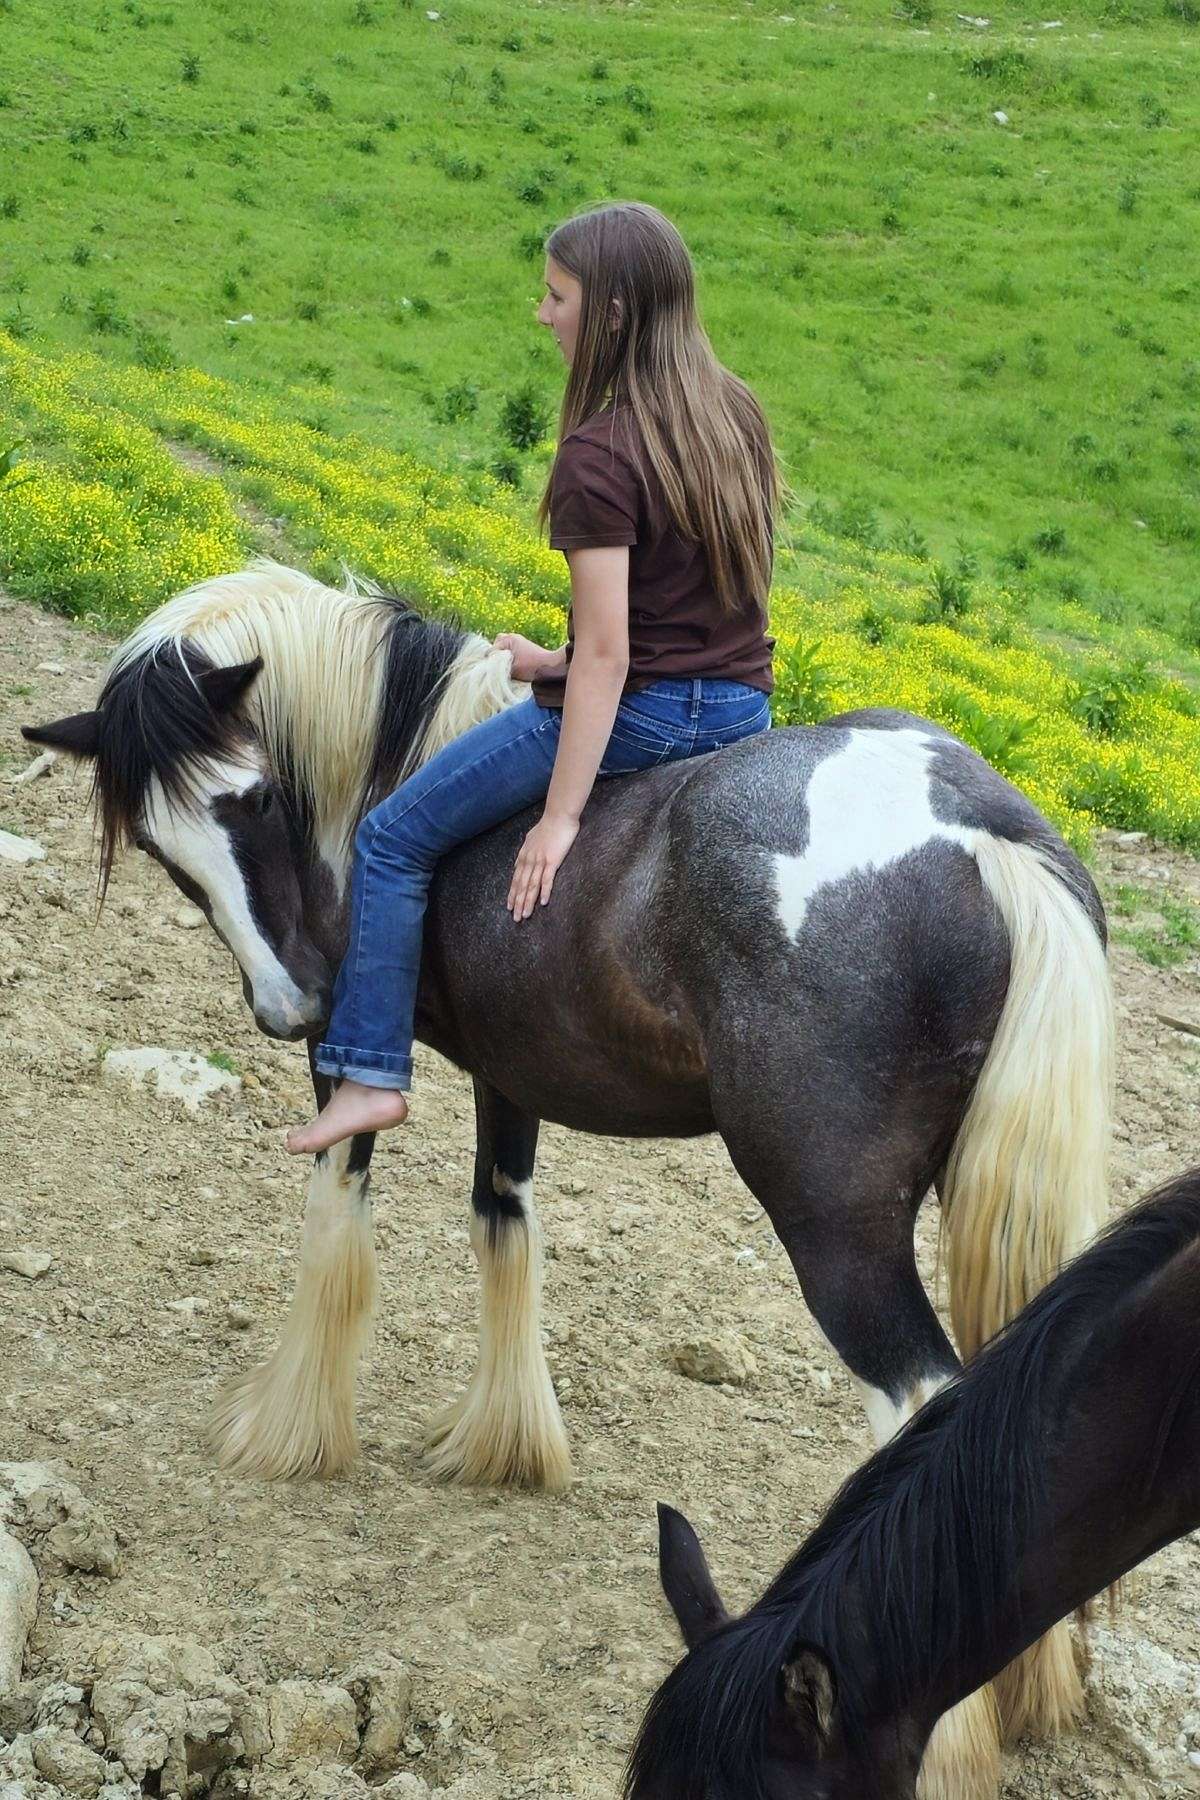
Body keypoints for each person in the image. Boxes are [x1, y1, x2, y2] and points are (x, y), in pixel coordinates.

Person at [285, 200, 780, 1157]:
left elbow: (612, 657)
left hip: (643, 717)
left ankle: (368, 1075)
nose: (542, 313)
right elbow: (690, 610)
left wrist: (560, 816)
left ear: (617, 313)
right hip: (740, 706)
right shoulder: (732, 410)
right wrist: (546, 661)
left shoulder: (598, 452)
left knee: (389, 840)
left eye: (558, 296)